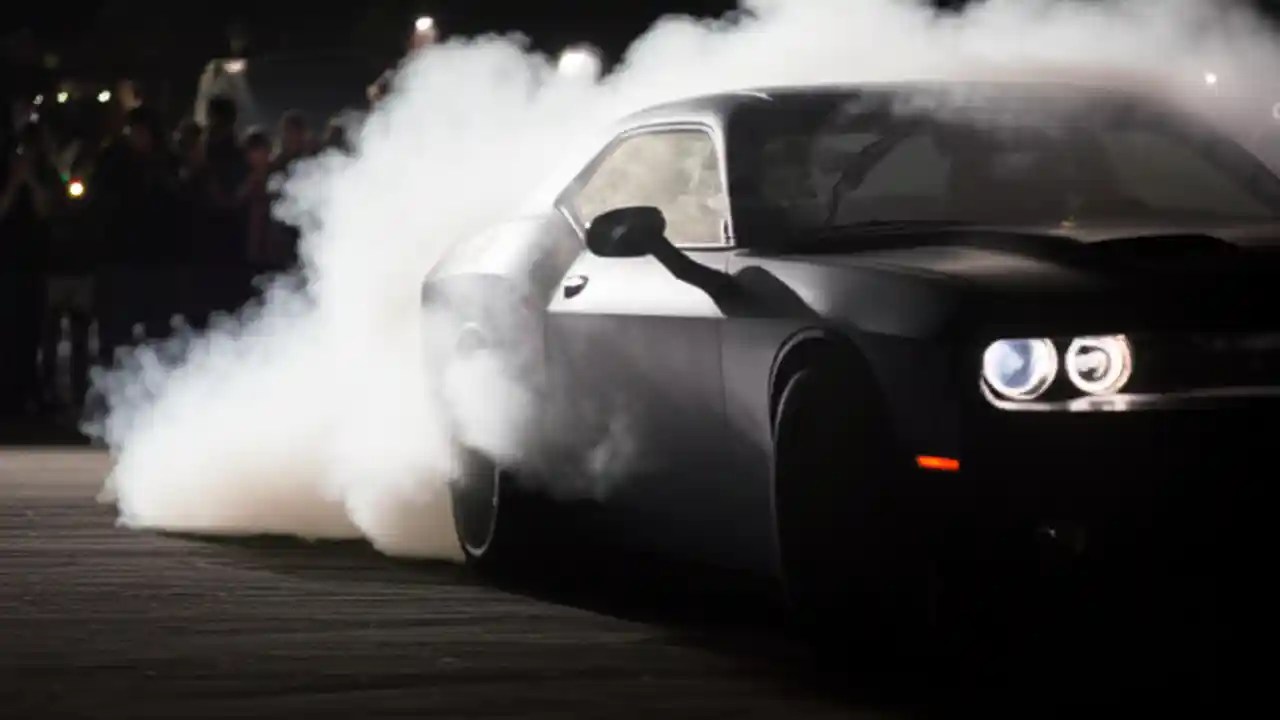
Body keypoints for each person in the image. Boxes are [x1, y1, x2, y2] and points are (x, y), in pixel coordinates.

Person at [0, 123, 61, 414]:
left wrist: (31, 180)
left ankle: (27, 390)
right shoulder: (5, 172)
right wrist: (14, 181)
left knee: (31, 331)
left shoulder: (45, 174)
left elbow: (46, 209)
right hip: (6, 263)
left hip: (34, 263)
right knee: (8, 329)